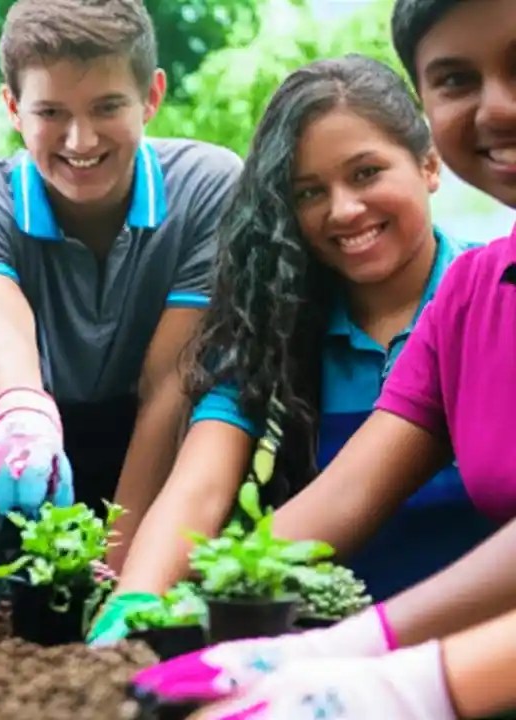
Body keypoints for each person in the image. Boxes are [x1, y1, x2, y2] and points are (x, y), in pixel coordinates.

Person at [133, 0, 516, 716]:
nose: (497, 108)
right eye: (458, 80)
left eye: (367, 173)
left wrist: (403, 681)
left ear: (426, 164)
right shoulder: (472, 297)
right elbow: (340, 498)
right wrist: (162, 609)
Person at [0, 0, 242, 621]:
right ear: (14, 108)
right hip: (28, 452)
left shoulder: (208, 186)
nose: (81, 140)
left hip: (163, 444)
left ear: (151, 97)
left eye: (107, 107)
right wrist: (21, 411)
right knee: (9, 641)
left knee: (143, 645)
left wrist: (118, 572)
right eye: (50, 113)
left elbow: (168, 386)